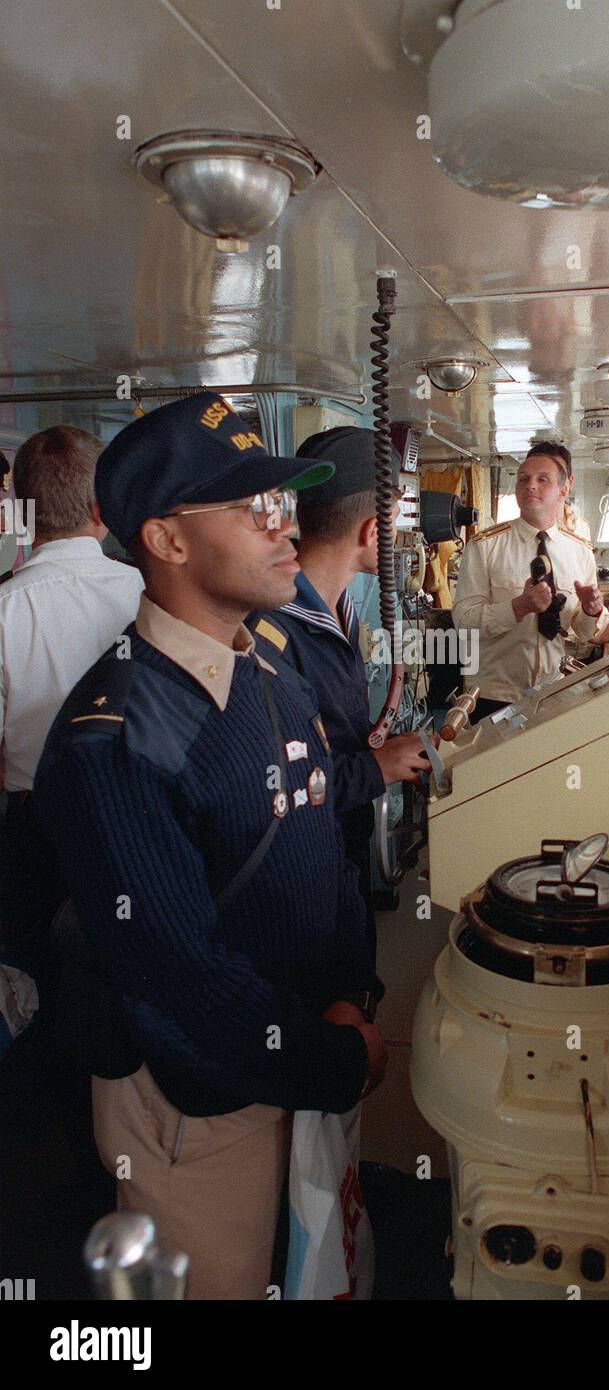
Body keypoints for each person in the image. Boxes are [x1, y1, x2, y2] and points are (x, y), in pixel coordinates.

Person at [33, 393, 387, 1300]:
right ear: (168, 541)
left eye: (282, 505)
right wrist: (337, 1062)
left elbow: (322, 844)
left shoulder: (269, 668)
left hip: (304, 1051)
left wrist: (351, 993)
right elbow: (177, 984)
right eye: (251, 508)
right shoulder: (115, 740)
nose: (284, 529)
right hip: (202, 1105)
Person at [250, 427, 432, 963]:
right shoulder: (272, 634)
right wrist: (377, 768)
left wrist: (384, 751)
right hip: (302, 877)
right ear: (373, 530)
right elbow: (279, 783)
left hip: (340, 853)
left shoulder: (339, 609)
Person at [0, 426, 144, 963]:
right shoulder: (152, 596)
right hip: (140, 822)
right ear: (100, 507)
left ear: (23, 511)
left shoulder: (5, 609)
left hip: (37, 838)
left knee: (40, 990)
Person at [453, 442, 608, 719]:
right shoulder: (485, 546)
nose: (530, 485)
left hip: (553, 691)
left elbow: (584, 633)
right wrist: (519, 607)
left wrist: (591, 610)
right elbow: (464, 622)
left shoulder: (580, 550)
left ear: (563, 489)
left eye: (542, 479)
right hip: (493, 696)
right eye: (523, 479)